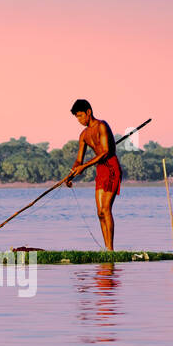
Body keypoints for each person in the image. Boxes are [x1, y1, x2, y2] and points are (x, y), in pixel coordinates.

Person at [66, 98, 120, 250]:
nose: (79, 120)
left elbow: (105, 152)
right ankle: (106, 249)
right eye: (77, 117)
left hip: (111, 167)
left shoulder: (102, 126)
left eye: (81, 116)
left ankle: (110, 250)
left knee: (106, 209)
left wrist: (84, 167)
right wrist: (71, 175)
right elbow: (78, 160)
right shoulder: (83, 135)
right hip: (100, 170)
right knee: (99, 213)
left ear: (88, 112)